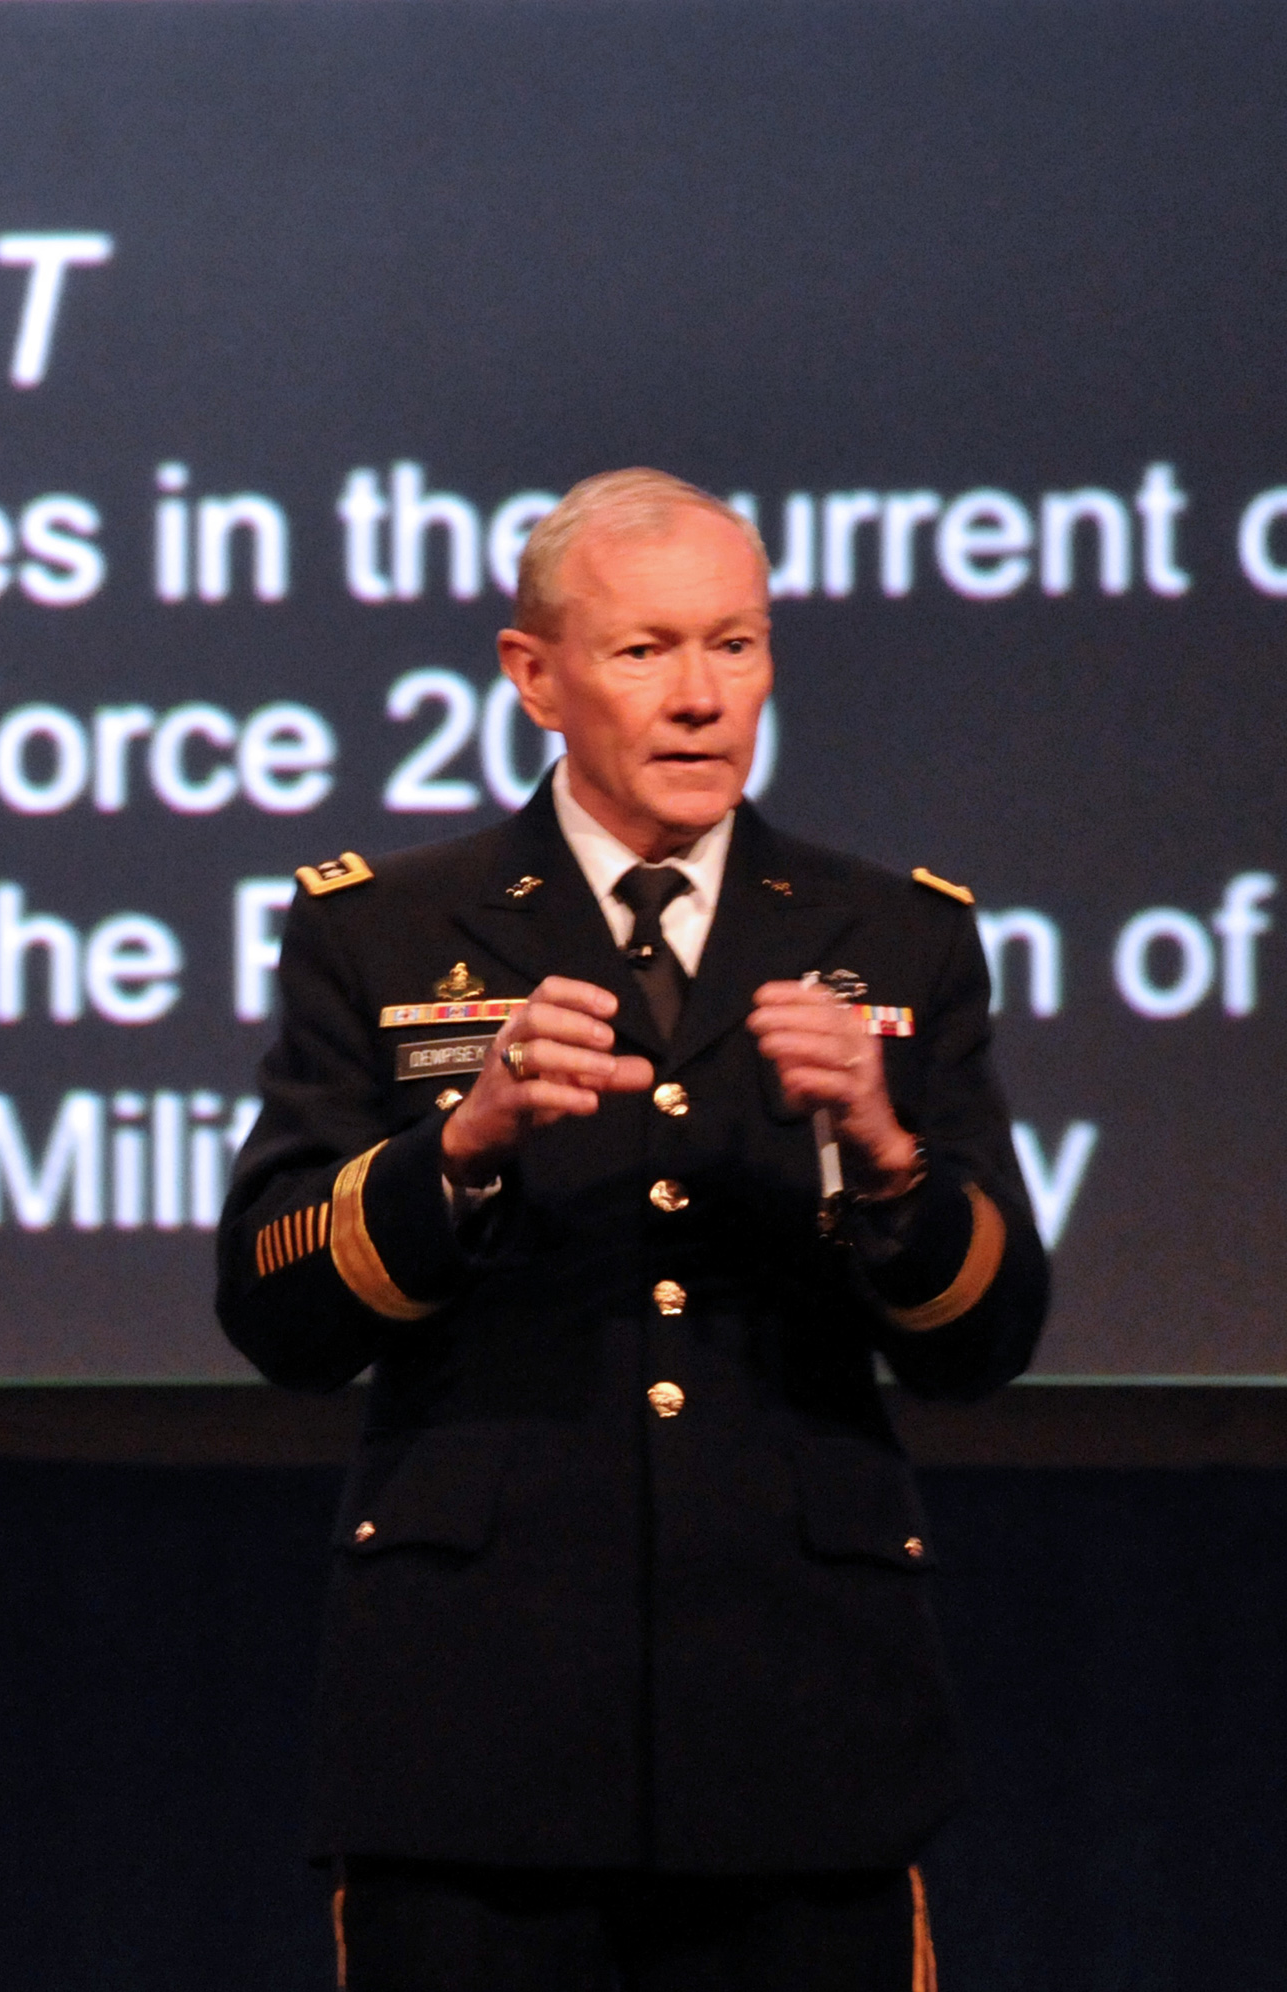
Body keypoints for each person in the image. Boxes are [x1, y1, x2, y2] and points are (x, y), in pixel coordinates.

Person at [215, 468, 1047, 1989]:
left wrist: (881, 1149)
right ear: (534, 677)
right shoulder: (385, 928)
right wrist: (458, 1146)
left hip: (804, 1716)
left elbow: (986, 1338)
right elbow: (276, 1309)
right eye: (646, 650)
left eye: (734, 646)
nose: (700, 700)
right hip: (477, 1724)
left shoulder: (895, 935)